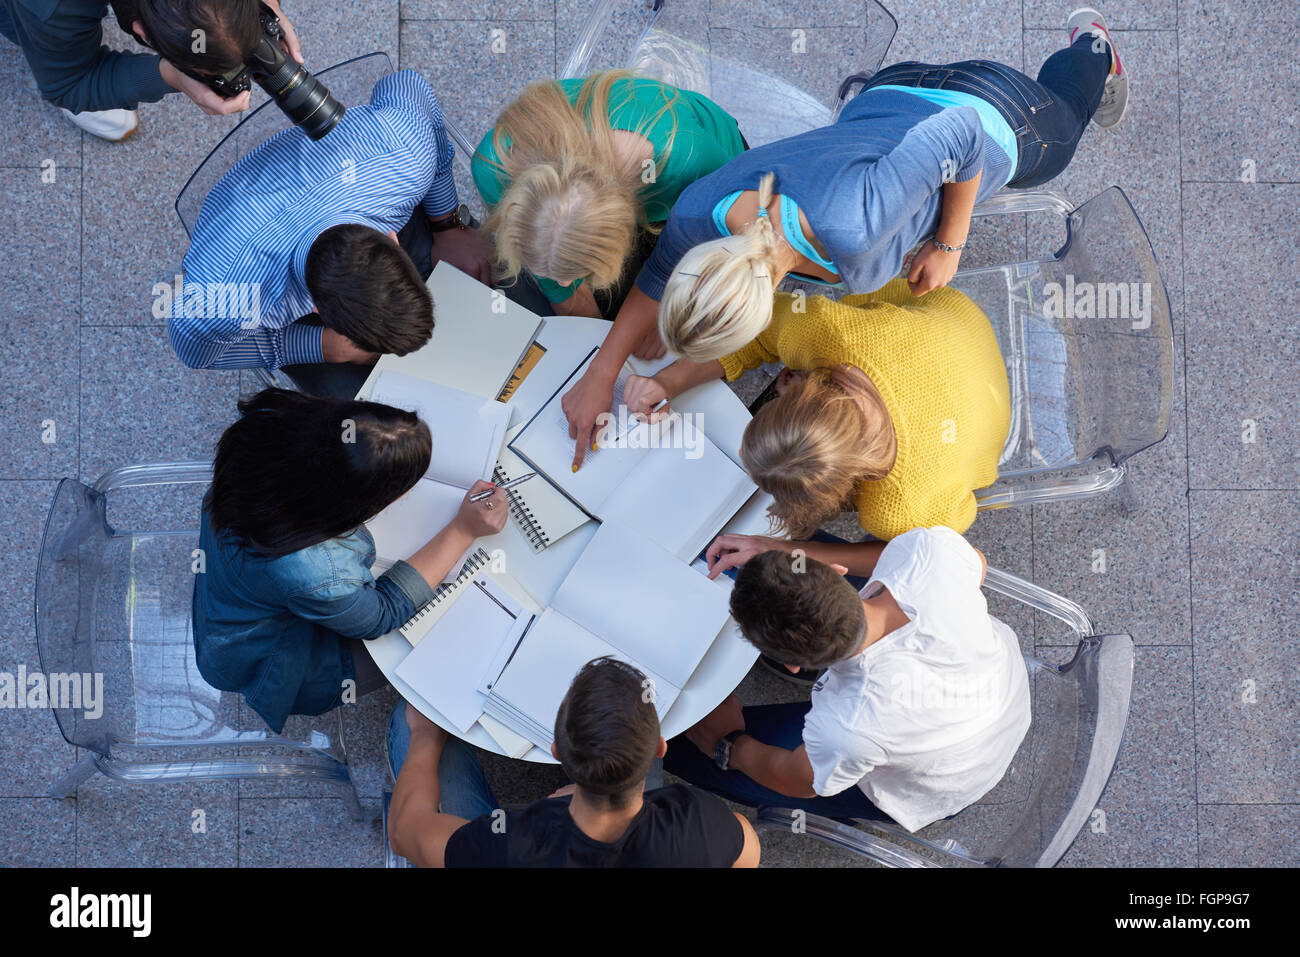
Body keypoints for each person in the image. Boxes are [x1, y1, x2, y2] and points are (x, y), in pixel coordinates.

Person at [561, 7, 1126, 467]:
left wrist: (949, 245)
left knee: (1069, 115)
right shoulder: (698, 214)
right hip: (889, 91)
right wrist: (600, 374)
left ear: (764, 312)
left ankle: (1092, 46)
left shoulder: (851, 234)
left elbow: (966, 136)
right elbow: (658, 276)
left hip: (1001, 112)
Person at [665, 528, 1031, 831]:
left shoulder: (847, 729)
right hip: (1004, 691)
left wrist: (727, 745)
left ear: (793, 664)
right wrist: (789, 550)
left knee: (682, 742)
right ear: (838, 571)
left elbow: (799, 779)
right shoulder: (933, 555)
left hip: (951, 780)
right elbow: (976, 565)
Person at [191, 388, 507, 734]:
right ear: (351, 505)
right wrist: (462, 530)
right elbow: (381, 615)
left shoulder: (270, 425)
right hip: (279, 659)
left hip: (235, 592)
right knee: (439, 630)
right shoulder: (316, 572)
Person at [169, 68, 496, 396]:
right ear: (315, 311)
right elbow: (192, 350)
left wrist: (448, 224)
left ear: (392, 239)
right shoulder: (225, 299)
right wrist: (320, 346)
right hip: (231, 223)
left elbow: (410, 83)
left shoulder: (406, 158)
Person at [624, 278, 1010, 541]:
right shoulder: (829, 332)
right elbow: (755, 326)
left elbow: (948, 534)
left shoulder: (898, 511)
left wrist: (793, 548)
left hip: (983, 410)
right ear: (792, 390)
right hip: (947, 317)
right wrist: (667, 382)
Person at [387, 656, 761, 867]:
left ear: (555, 753)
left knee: (412, 722)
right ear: (660, 747)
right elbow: (747, 849)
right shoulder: (697, 823)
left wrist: (424, 737)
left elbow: (404, 834)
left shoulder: (509, 846)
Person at [472, 70, 745, 319]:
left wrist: (662, 308)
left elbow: (735, 237)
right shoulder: (494, 167)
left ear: (622, 229)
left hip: (717, 197)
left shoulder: (682, 157)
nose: (565, 284)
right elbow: (563, 287)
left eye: (574, 276)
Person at [0, 0, 299, 141]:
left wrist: (264, 6)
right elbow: (68, 84)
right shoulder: (50, 7)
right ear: (142, 33)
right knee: (29, 27)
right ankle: (51, 48)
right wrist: (169, 76)